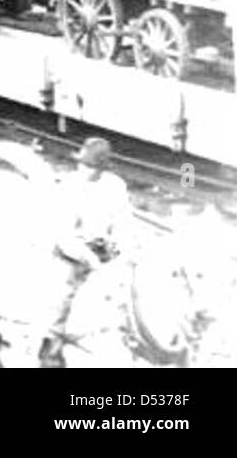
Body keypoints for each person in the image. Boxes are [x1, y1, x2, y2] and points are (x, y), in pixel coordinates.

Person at [45, 136, 135, 364]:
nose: (87, 171)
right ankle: (51, 349)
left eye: (93, 168)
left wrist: (122, 251)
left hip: (105, 253)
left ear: (102, 169)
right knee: (61, 299)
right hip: (71, 256)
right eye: (84, 166)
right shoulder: (68, 186)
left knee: (129, 293)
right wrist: (91, 260)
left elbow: (124, 225)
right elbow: (64, 235)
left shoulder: (115, 186)